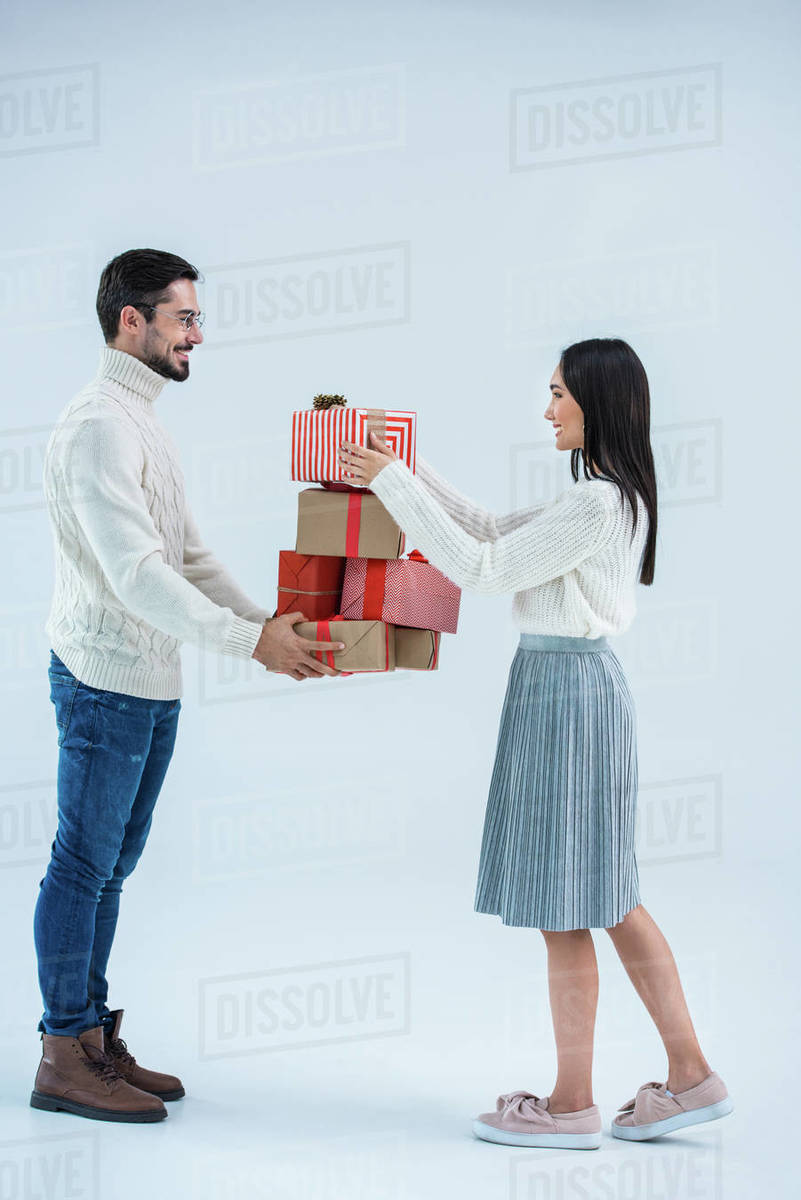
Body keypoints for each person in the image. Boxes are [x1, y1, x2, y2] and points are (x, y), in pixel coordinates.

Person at [338, 337, 733, 1150]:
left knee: (571, 906)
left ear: (597, 401)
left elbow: (482, 569)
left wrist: (390, 483)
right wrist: (403, 464)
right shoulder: (601, 496)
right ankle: (688, 1076)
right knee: (608, 898)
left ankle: (570, 1106)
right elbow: (486, 529)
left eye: (558, 393)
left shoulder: (595, 505)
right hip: (568, 689)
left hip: (566, 696)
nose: (547, 409)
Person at [32, 248, 344, 1124]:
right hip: (103, 681)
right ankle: (63, 1052)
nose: (197, 335)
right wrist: (251, 643)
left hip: (149, 678)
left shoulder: (143, 422)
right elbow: (136, 576)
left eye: (196, 319)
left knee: (111, 868)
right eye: (184, 318)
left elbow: (188, 557)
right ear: (131, 320)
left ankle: (92, 1037)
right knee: (83, 865)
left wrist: (271, 626)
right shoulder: (98, 426)